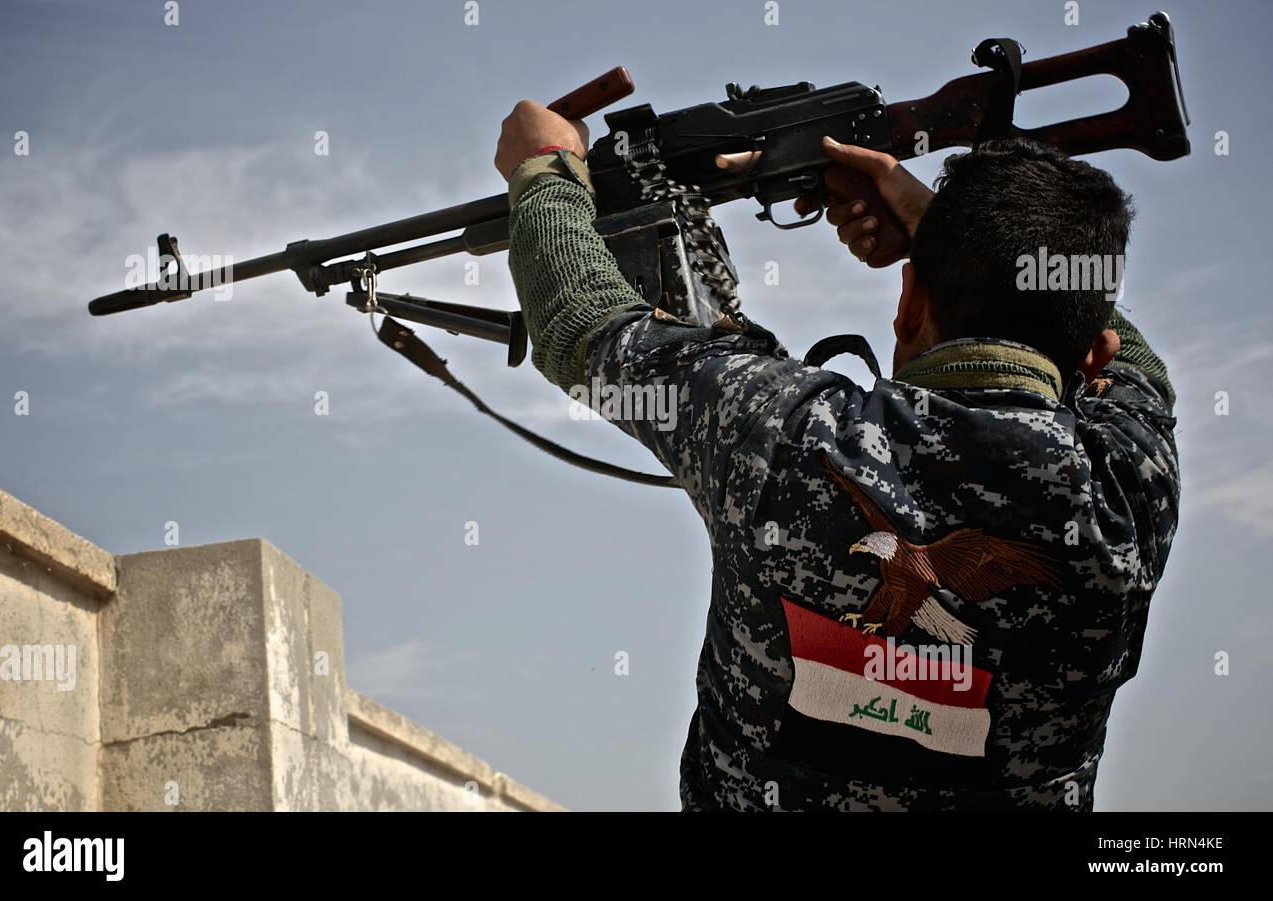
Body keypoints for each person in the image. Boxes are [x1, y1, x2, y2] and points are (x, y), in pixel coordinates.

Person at [493, 100, 1179, 811]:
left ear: (909, 301)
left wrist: (545, 167)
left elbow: (586, 328)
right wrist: (938, 229)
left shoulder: (779, 428)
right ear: (1094, 353)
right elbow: (1137, 366)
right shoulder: (1135, 483)